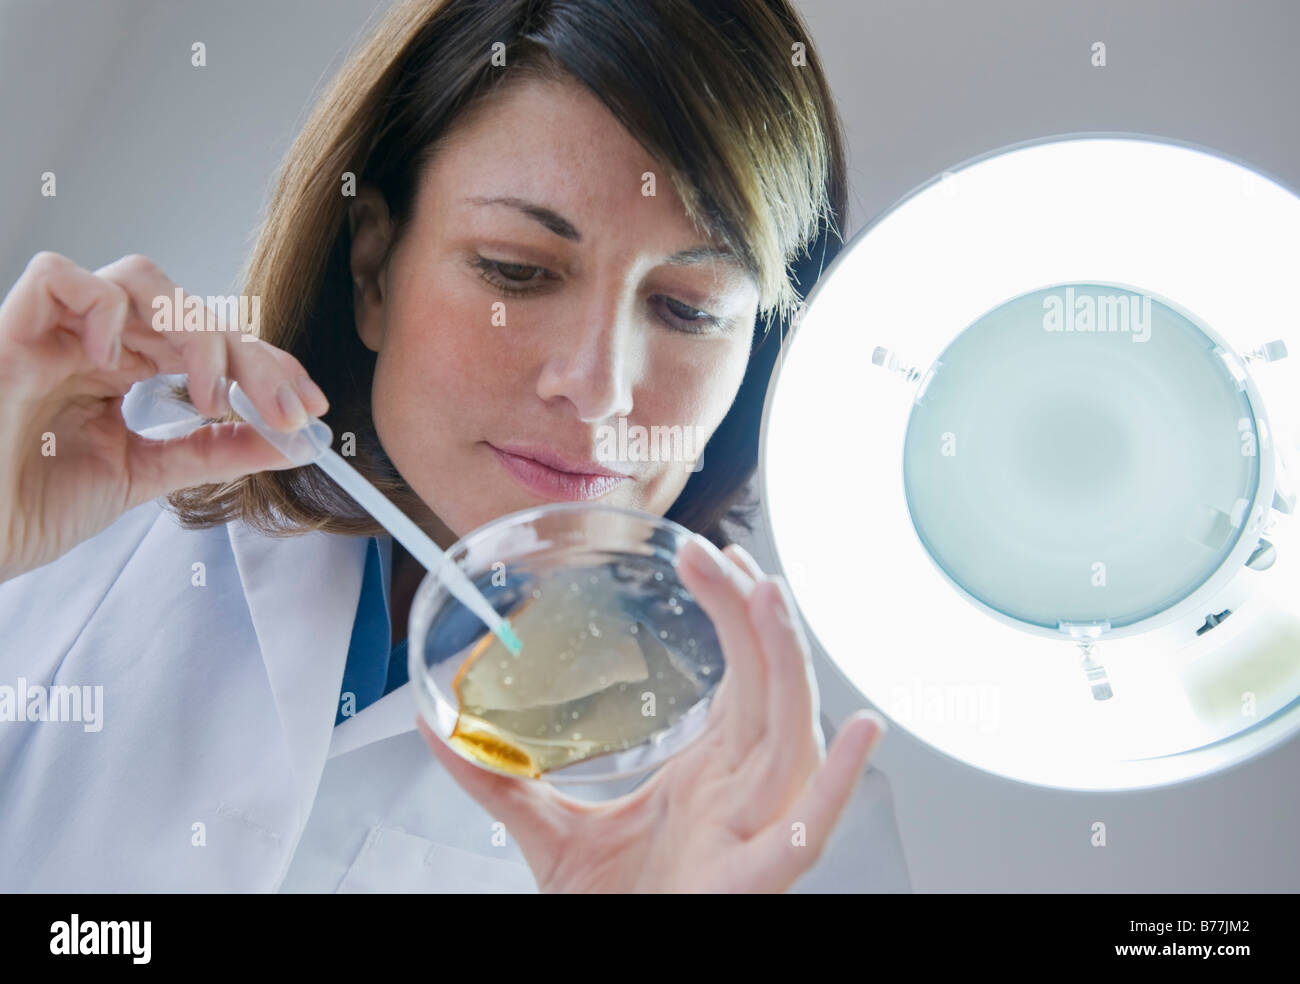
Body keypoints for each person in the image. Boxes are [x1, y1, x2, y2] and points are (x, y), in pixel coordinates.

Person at [0, 0, 907, 892]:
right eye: (516, 271)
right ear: (372, 271)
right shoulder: (81, 490)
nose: (597, 386)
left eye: (689, 310)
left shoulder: (786, 817)